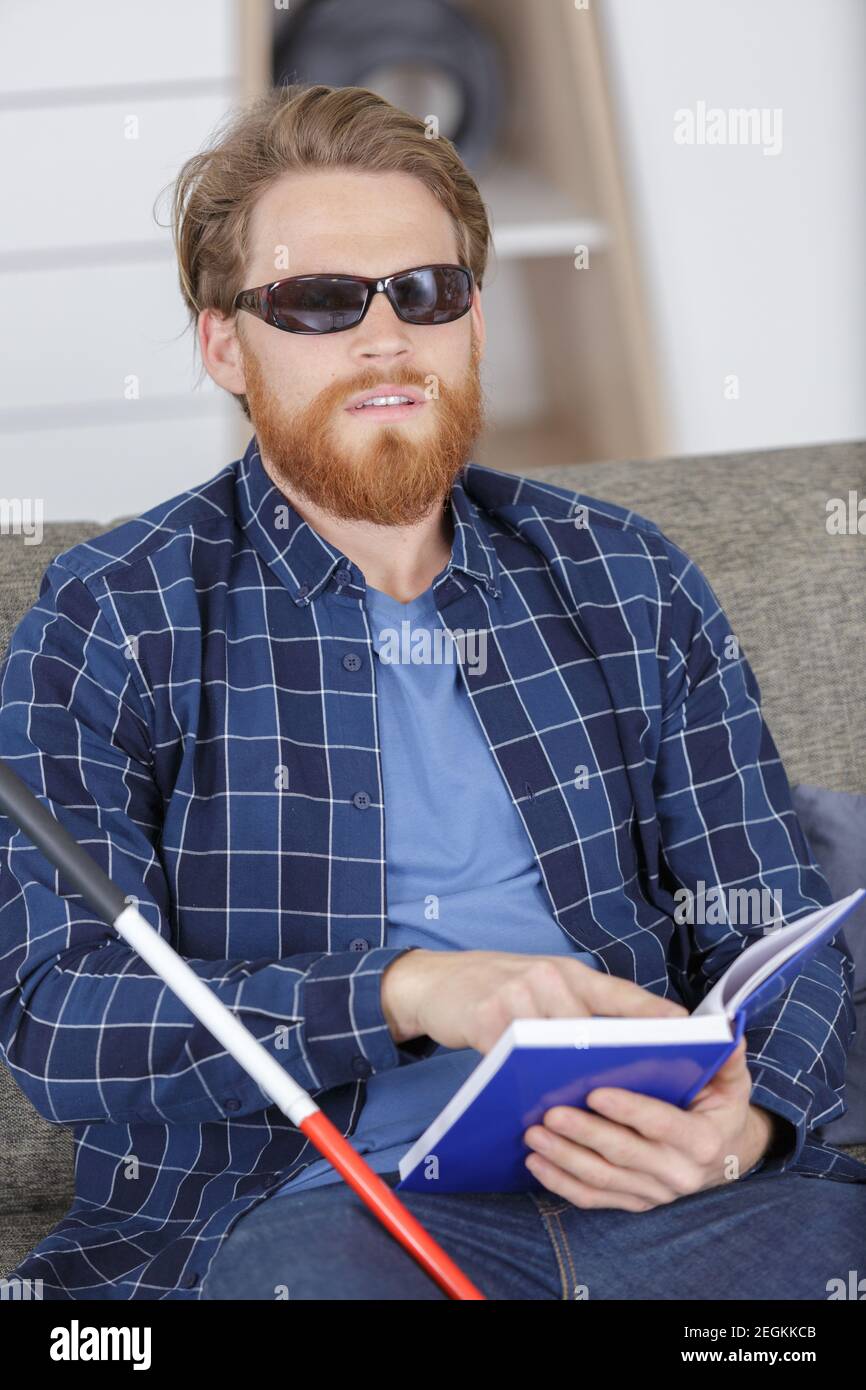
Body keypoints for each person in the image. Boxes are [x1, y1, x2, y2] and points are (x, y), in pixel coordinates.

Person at [1, 83, 863, 1303]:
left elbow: (775, 924)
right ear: (223, 344)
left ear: (470, 318)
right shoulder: (112, 614)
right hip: (315, 1220)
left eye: (425, 290)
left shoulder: (625, 575)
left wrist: (746, 1126)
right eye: (317, 301)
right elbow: (60, 1020)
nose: (385, 338)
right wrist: (409, 990)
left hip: (673, 1205)